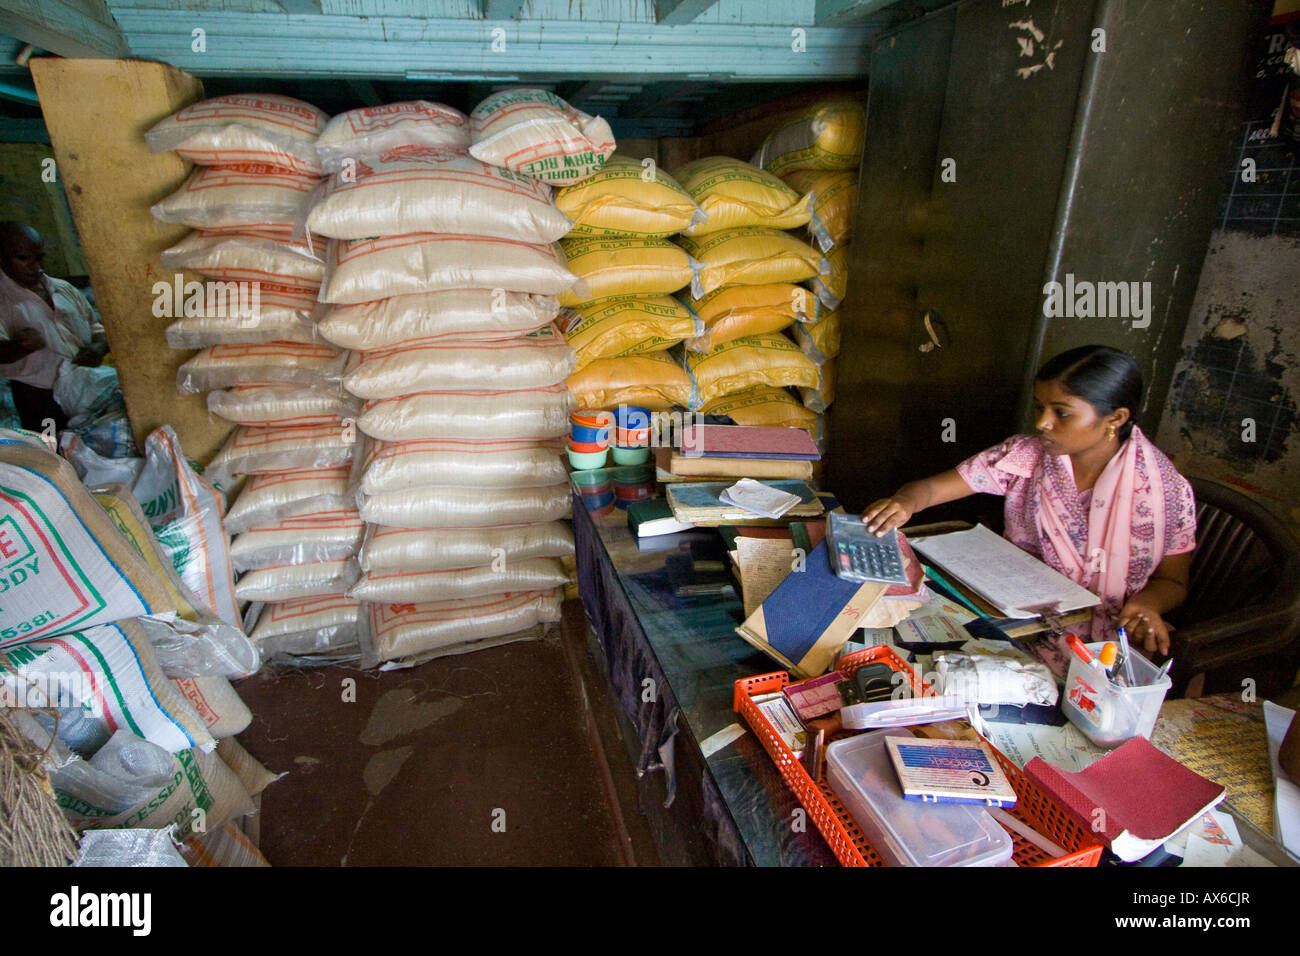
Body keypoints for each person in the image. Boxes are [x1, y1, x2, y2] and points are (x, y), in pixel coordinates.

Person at [861, 345, 1196, 674]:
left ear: (1116, 418)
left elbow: (1173, 582)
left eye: (1061, 412)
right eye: (1039, 408)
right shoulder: (1027, 456)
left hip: (1105, 652)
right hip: (1015, 620)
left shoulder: (1165, 492)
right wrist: (905, 502)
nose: (1043, 423)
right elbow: (932, 488)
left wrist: (1148, 604)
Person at [0, 221, 108, 432]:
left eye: (39, 258)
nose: (36, 267)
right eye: (23, 258)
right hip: (38, 397)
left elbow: (97, 328)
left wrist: (97, 347)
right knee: (55, 455)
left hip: (86, 387)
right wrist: (20, 346)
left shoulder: (64, 289)